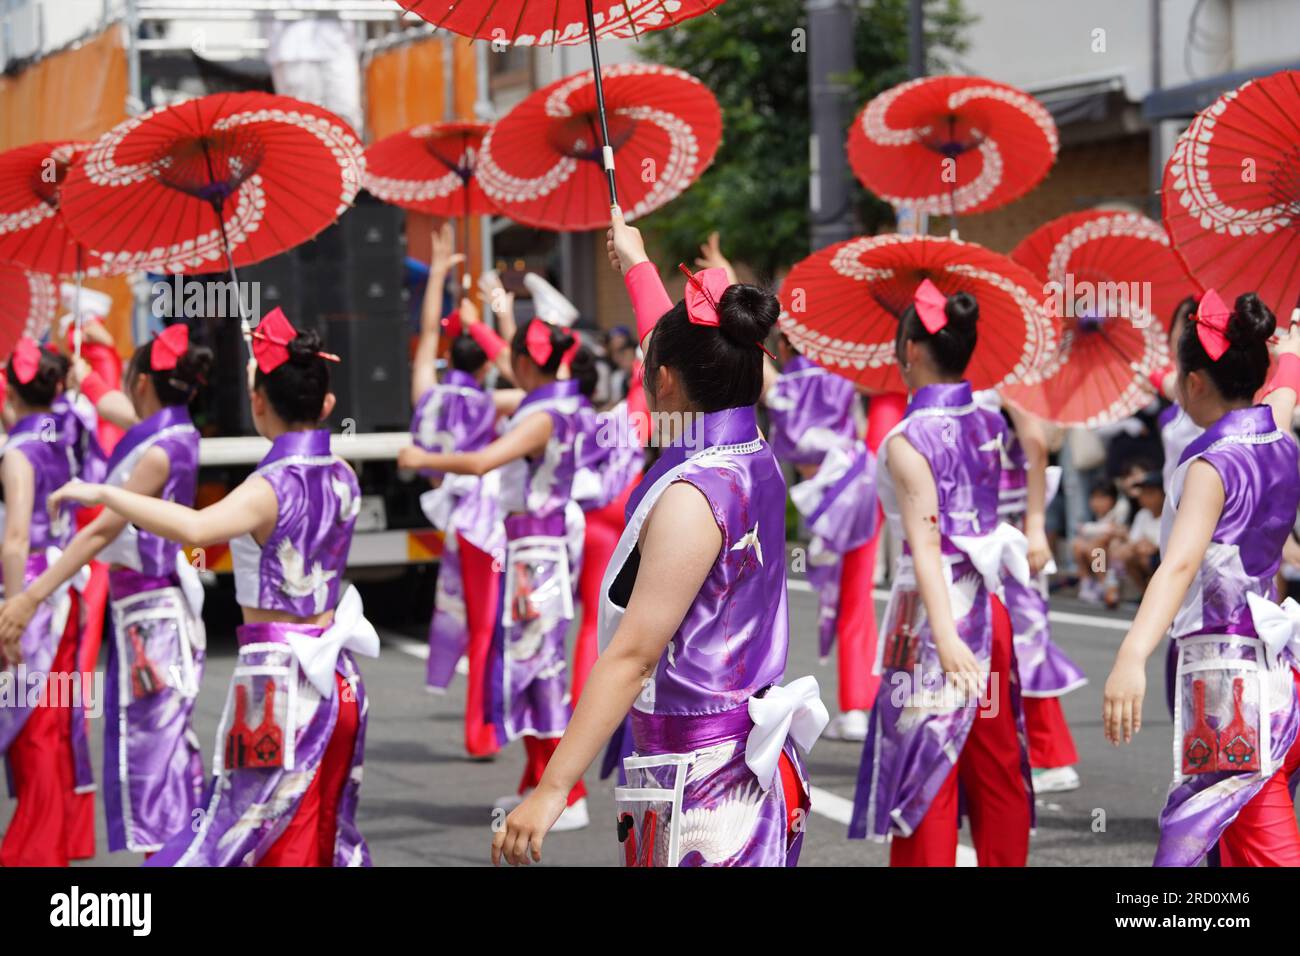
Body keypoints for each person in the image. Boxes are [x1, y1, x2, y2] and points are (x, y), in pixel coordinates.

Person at [490, 208, 828, 868]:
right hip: (732, 761)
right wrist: (636, 258)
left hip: (701, 778)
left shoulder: (693, 492)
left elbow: (635, 655)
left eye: (650, 367)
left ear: (664, 380)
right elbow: (686, 349)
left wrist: (551, 787)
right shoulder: (751, 456)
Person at [52, 308, 380, 866]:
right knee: (323, 834)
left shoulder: (268, 486)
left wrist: (106, 495)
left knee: (251, 837)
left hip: (278, 686)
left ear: (257, 401)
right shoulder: (344, 475)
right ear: (326, 405)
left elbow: (195, 528)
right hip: (343, 681)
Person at [1103, 290, 1300, 867]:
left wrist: (1130, 656)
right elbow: (1284, 392)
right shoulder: (1279, 438)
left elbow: (1180, 563)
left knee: (1260, 847)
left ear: (1193, 383)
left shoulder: (1213, 463)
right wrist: (1290, 350)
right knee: (1234, 840)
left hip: (1228, 683)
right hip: (1279, 665)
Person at [0, 325, 212, 857]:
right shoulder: (174, 432)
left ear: (143, 383)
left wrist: (25, 598)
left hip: (151, 620)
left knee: (151, 755)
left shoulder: (157, 451)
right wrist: (89, 376)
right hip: (147, 610)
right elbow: (117, 409)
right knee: (159, 750)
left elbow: (99, 530)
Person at [847, 279, 1034, 867]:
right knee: (998, 766)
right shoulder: (989, 421)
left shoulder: (907, 439)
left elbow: (925, 545)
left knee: (926, 769)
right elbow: (1030, 455)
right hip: (991, 607)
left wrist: (947, 635)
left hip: (934, 620)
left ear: (910, 352)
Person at [399, 302, 594, 833]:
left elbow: (483, 461)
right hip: (535, 548)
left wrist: (423, 459)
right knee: (529, 669)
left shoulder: (543, 416)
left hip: (537, 553)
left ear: (529, 366)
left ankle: (566, 792)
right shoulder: (565, 402)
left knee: (540, 672)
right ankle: (538, 782)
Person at [410, 225, 514, 760]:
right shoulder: (491, 404)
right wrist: (500, 315)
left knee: (475, 623)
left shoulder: (428, 390)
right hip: (486, 521)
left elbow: (428, 336)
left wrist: (438, 276)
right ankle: (481, 730)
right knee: (487, 629)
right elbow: (521, 369)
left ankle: (483, 727)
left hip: (452, 520)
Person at [0, 339, 94, 866]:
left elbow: (15, 538)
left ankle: (32, 850)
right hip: (65, 591)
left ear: (10, 389)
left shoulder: (17, 451)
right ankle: (53, 843)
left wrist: (13, 611)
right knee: (54, 719)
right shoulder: (62, 436)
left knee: (29, 726)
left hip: (32, 589)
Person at [767, 332, 878, 740]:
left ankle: (856, 708)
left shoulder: (783, 384)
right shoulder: (844, 375)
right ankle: (860, 704)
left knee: (845, 600)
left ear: (784, 346)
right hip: (858, 480)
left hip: (824, 494)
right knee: (856, 598)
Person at [977, 390, 1086, 793]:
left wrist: (1036, 527)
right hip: (981, 526)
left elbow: (1039, 449)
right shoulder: (975, 374)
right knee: (993, 645)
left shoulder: (1006, 378)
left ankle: (1051, 756)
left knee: (1027, 643)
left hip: (1012, 530)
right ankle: (1013, 751)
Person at [1069, 478, 1128, 604]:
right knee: (1077, 544)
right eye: (1094, 498)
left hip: (1115, 563)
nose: (1098, 502)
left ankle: (1104, 584)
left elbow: (1110, 531)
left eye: (1102, 497)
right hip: (1098, 560)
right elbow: (1084, 531)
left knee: (1095, 546)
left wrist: (1088, 529)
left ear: (1113, 499)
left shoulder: (1120, 511)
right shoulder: (1095, 516)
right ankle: (1086, 583)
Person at [1108, 471, 1165, 594]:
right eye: (1142, 493)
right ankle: (1142, 593)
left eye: (1150, 493)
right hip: (1143, 555)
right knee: (1123, 552)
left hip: (1162, 560)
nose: (1144, 497)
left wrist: (1144, 545)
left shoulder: (1169, 516)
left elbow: (1156, 547)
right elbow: (1133, 542)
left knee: (1142, 557)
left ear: (1163, 495)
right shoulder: (1142, 514)